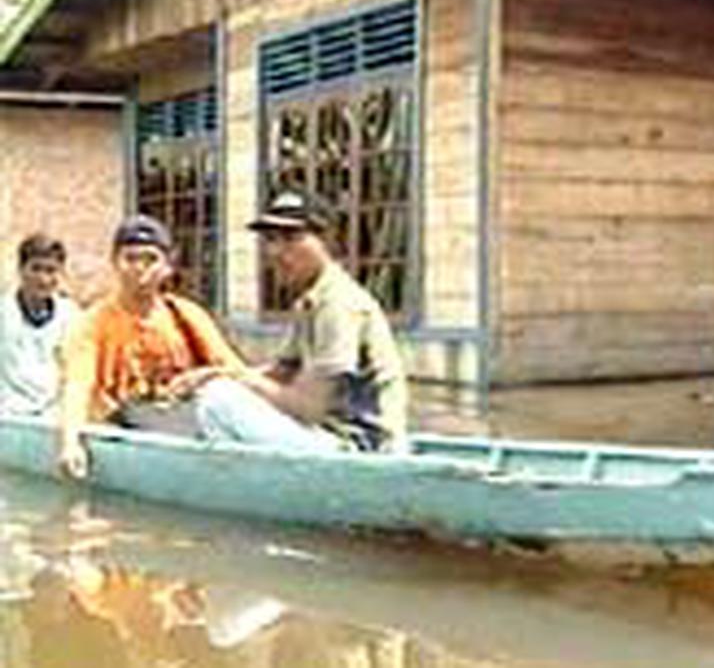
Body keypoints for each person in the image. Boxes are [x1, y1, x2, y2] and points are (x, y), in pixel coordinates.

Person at [169, 189, 409, 454]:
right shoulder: (311, 300)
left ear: (327, 240)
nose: (276, 251)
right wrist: (214, 374)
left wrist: (235, 380)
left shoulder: (338, 303)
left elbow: (308, 407)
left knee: (217, 400)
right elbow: (282, 372)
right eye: (271, 239)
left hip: (363, 448)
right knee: (215, 388)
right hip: (333, 437)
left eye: (292, 238)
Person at [56, 215, 248, 479]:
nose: (140, 269)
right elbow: (77, 386)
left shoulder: (185, 314)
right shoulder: (92, 322)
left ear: (167, 266)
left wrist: (202, 376)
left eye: (150, 259)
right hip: (123, 425)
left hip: (184, 419)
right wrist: (70, 443)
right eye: (130, 259)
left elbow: (238, 372)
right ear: (115, 262)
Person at [0, 234, 78, 418]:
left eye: (51, 271)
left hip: (53, 416)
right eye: (35, 269)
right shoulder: (3, 312)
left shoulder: (70, 315)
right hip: (7, 414)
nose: (43, 279)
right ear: (21, 269)